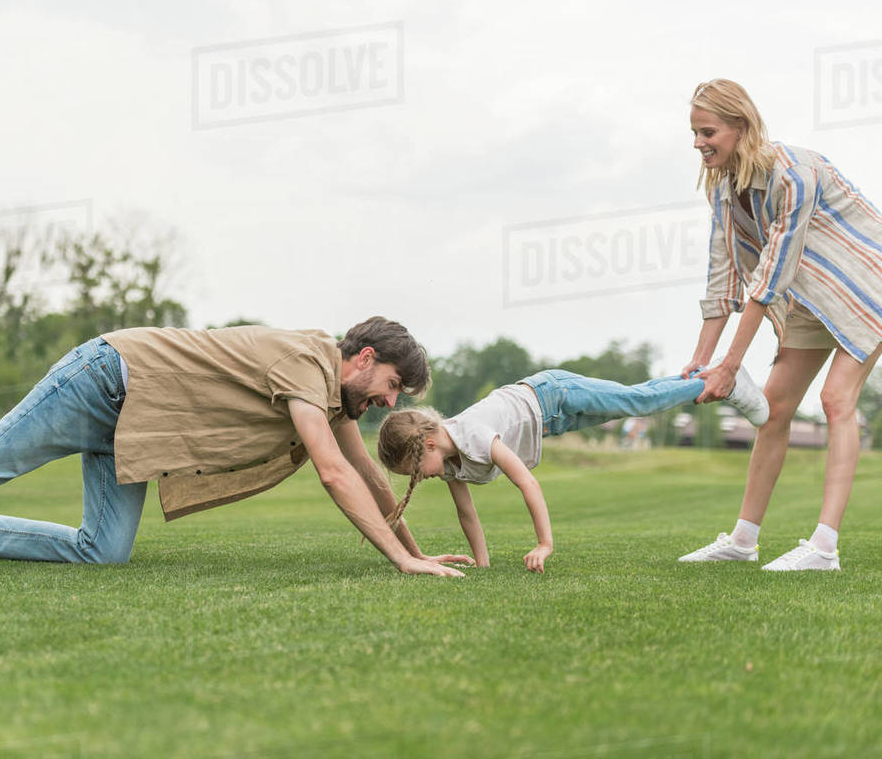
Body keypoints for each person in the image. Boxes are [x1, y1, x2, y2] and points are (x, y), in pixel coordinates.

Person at [0, 317, 470, 577]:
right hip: (106, 380)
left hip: (139, 423)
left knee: (104, 550)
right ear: (364, 356)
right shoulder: (306, 361)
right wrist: (401, 560)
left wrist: (416, 551)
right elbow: (335, 475)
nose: (391, 403)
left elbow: (369, 478)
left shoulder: (335, 395)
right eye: (392, 385)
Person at [677, 78, 882, 571]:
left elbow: (770, 276)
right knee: (773, 409)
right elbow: (724, 275)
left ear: (740, 126)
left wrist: (731, 365)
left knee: (836, 400)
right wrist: (701, 363)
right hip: (810, 298)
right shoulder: (723, 190)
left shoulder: (794, 175)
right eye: (695, 133)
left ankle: (824, 548)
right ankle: (743, 541)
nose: (699, 143)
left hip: (866, 284)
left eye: (708, 132)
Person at [373, 366, 769, 572]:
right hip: (553, 421)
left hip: (555, 394)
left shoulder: (473, 436)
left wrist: (544, 544)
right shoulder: (448, 463)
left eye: (415, 470)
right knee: (633, 398)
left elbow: (527, 483)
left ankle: (725, 379)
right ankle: (701, 375)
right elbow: (467, 513)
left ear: (428, 444)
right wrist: (482, 564)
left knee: (637, 403)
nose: (419, 478)